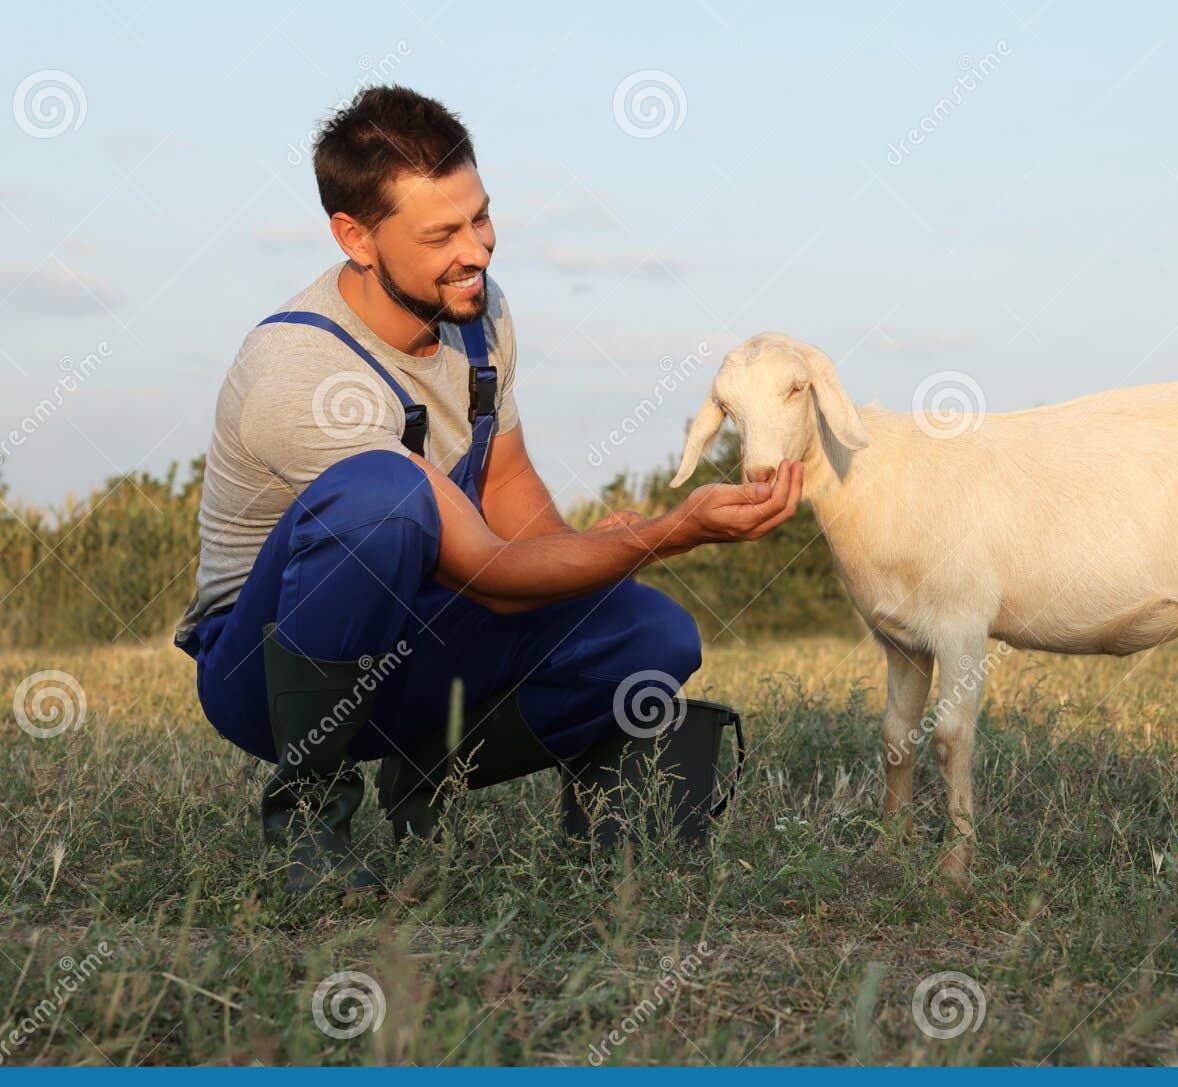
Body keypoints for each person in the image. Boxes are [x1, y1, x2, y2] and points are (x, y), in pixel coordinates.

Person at [173, 85, 801, 895]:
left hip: (416, 634)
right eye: (442, 233)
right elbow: (489, 577)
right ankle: (308, 821)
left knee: (653, 637)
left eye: (480, 216)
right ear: (355, 237)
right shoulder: (299, 371)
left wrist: (590, 552)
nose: (478, 249)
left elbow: (506, 483)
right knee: (382, 493)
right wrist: (665, 533)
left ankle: (424, 769)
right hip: (264, 672)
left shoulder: (478, 312)